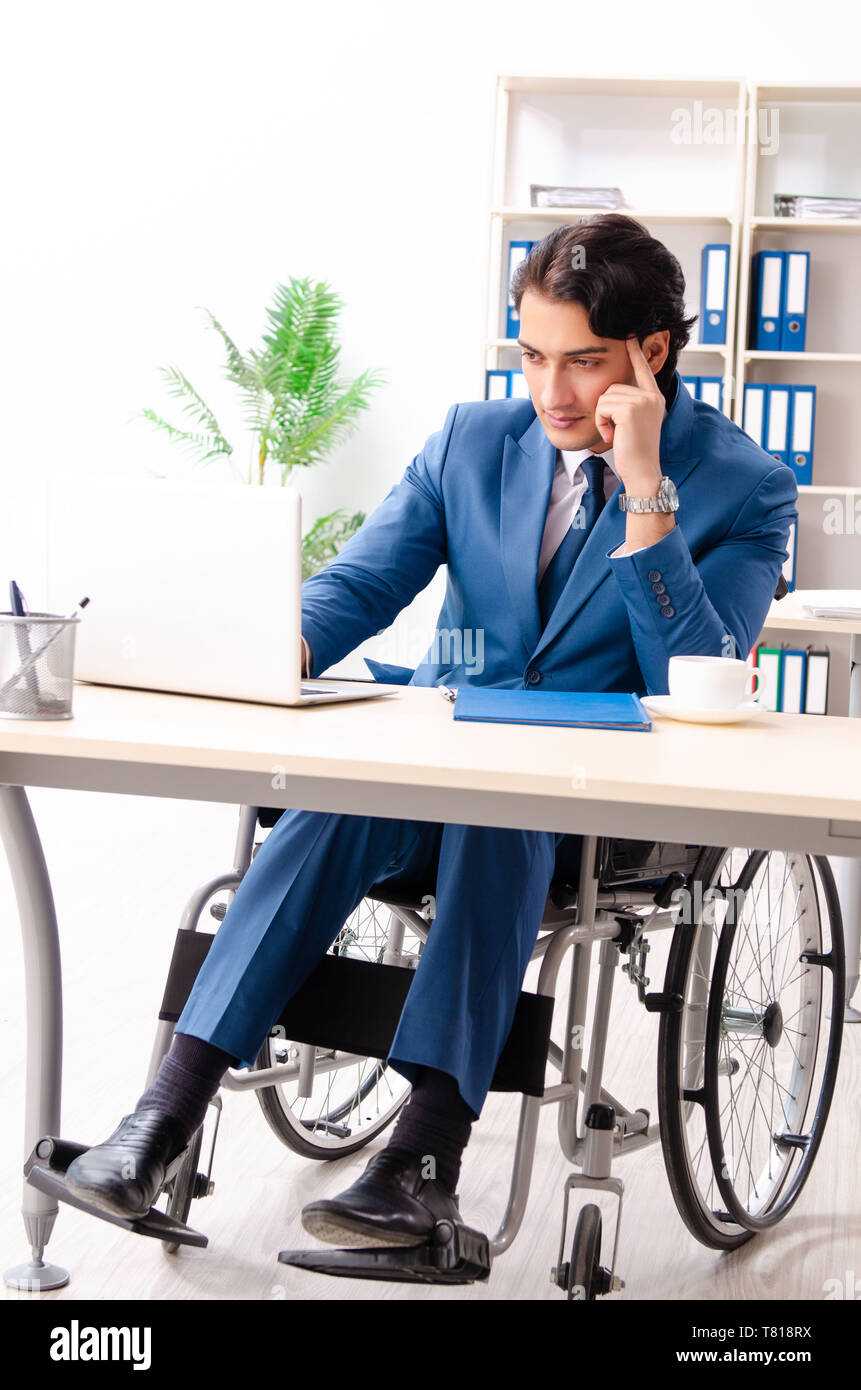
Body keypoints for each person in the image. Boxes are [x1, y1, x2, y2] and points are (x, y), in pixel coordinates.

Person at [64, 215, 797, 1251]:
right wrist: (278, 645)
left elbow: (697, 679)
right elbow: (362, 582)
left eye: (585, 364)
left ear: (654, 353)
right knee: (336, 800)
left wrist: (647, 497)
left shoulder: (748, 487)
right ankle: (163, 1117)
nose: (551, 394)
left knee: (501, 806)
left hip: (600, 812)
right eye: (534, 356)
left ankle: (422, 1159)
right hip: (443, 770)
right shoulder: (471, 438)